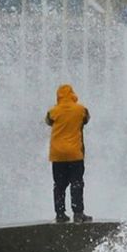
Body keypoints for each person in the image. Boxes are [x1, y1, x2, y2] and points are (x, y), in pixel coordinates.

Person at [45, 84, 92, 223]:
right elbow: (86, 120)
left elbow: (48, 122)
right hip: (74, 153)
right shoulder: (81, 109)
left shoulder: (53, 111)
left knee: (59, 184)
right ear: (72, 94)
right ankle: (78, 213)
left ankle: (60, 214)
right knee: (76, 182)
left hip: (58, 154)